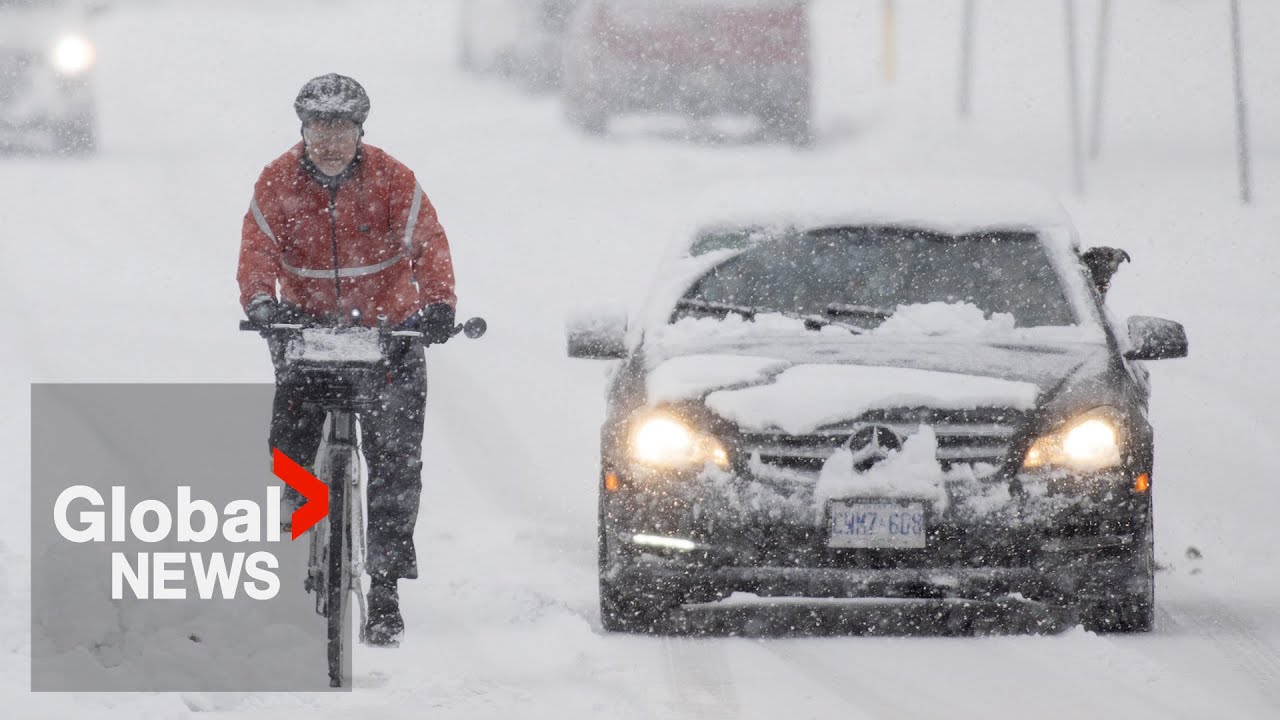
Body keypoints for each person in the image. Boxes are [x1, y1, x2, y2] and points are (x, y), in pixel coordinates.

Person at [237, 73, 457, 646]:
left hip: (387, 336)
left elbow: (428, 243)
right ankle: (296, 499)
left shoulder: (394, 180)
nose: (329, 142)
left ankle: (384, 587)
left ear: (361, 131)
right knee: (290, 436)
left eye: (340, 130)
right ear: (302, 130)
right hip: (310, 332)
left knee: (395, 465)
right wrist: (261, 302)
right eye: (318, 129)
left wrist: (437, 305)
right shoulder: (276, 182)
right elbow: (257, 248)